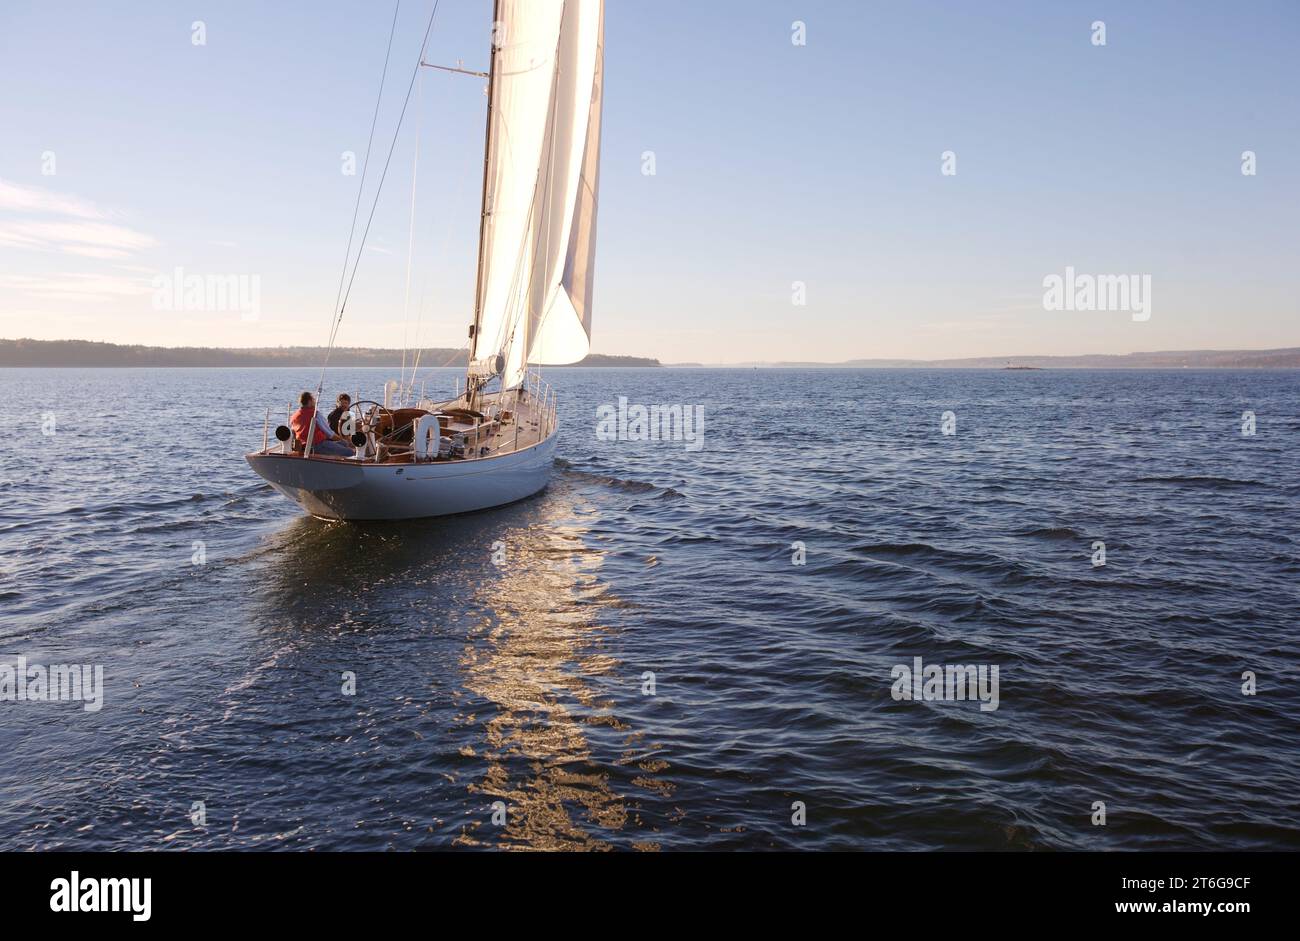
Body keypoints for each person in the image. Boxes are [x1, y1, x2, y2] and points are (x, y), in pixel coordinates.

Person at [290, 391, 354, 457]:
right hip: (318, 445)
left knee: (344, 444)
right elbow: (330, 434)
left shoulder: (293, 416)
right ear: (309, 401)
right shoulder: (315, 414)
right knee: (350, 452)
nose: (314, 401)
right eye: (313, 399)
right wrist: (344, 440)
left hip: (303, 446)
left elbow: (294, 435)